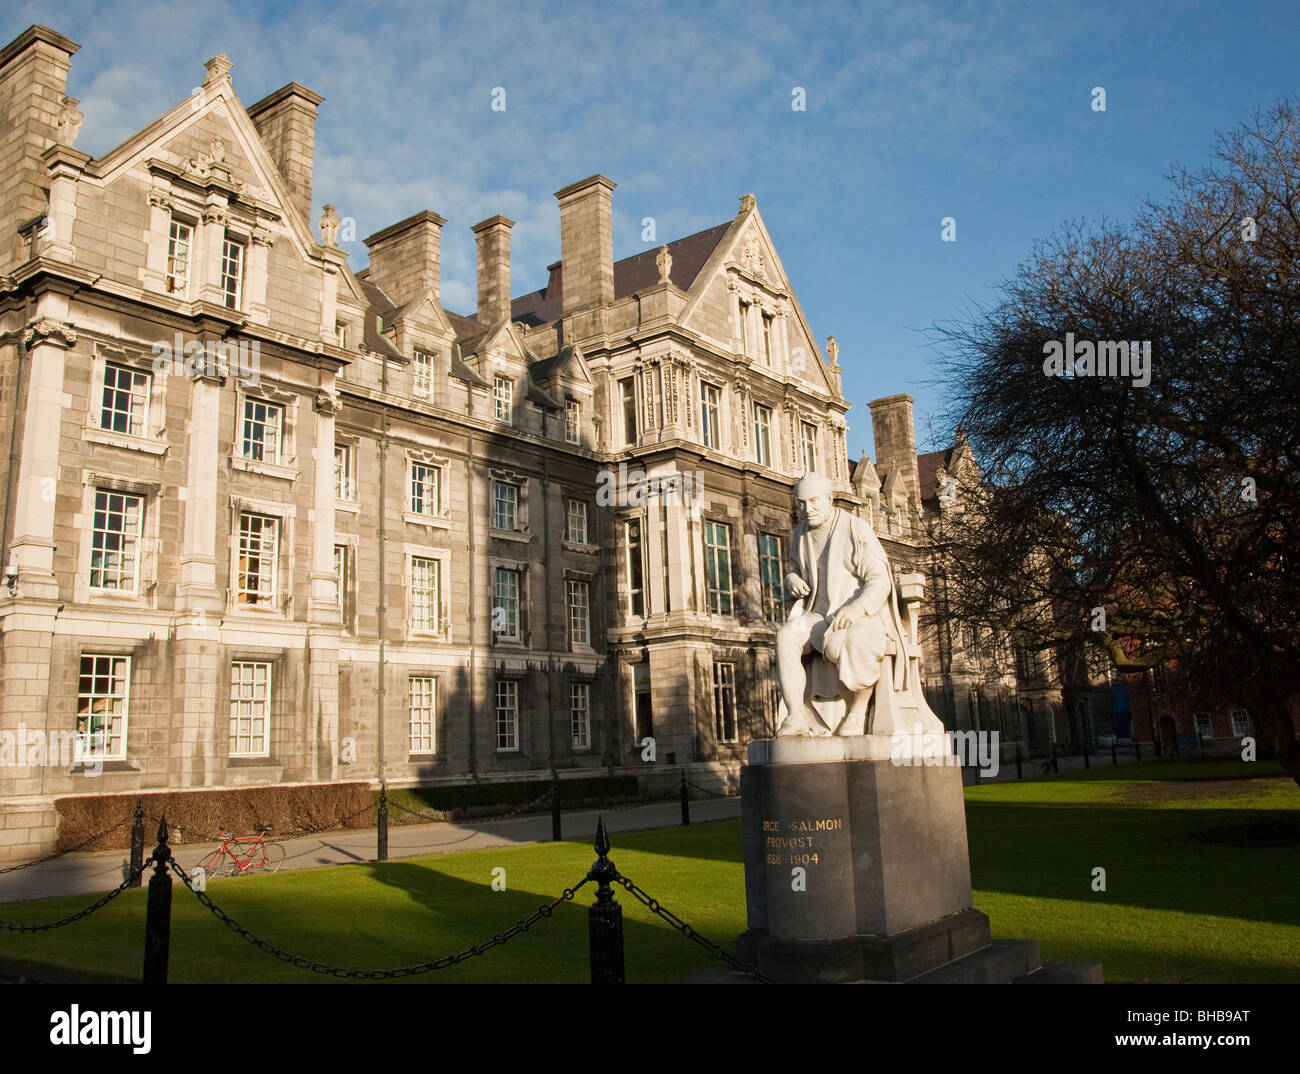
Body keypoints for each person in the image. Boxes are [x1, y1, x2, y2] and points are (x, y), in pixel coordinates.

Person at [775, 472, 902, 736]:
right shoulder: (800, 534)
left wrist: (856, 608)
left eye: (813, 501)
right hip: (819, 617)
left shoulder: (856, 528)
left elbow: (880, 581)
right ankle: (797, 716)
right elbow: (796, 569)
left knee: (856, 639)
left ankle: (858, 710)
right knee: (786, 637)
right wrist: (791, 579)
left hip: (860, 615)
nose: (807, 509)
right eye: (801, 503)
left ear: (830, 499)